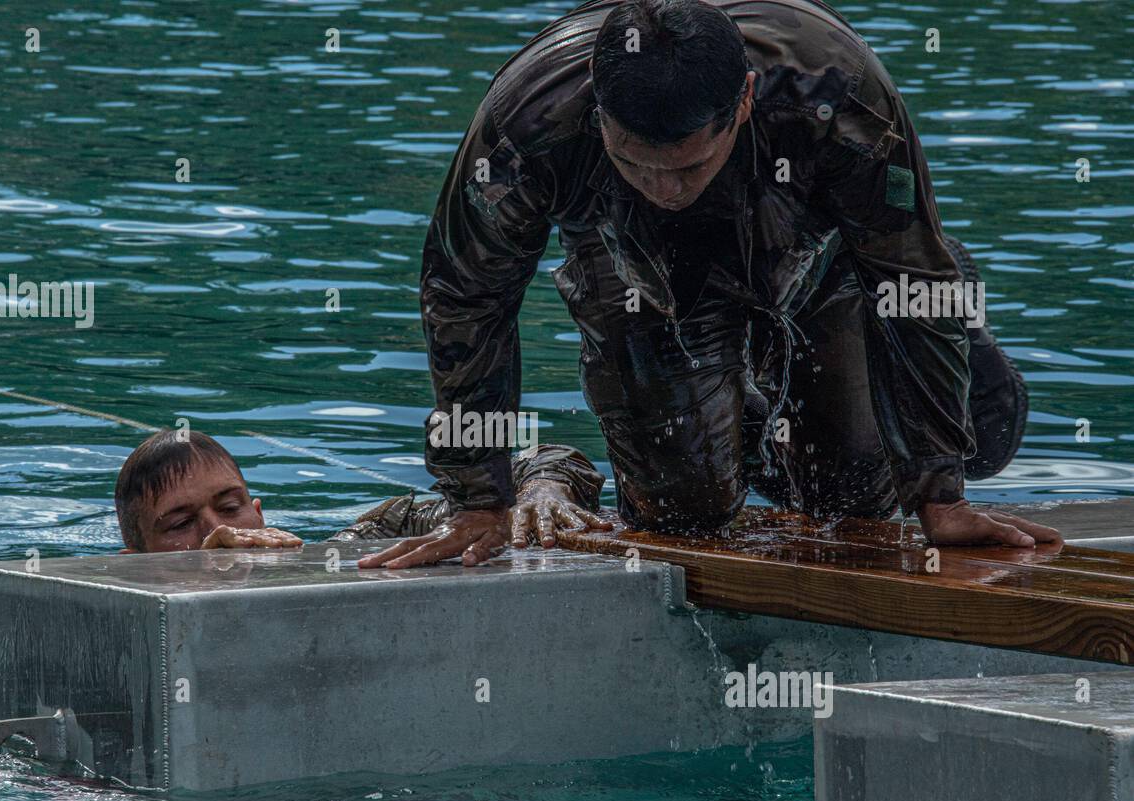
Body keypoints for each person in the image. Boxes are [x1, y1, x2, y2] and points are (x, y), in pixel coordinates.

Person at [360, 0, 1060, 571]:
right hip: (632, 267)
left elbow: (910, 275)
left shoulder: (835, 92)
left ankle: (802, 378)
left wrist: (942, 499)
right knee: (682, 514)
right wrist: (478, 498)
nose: (666, 189)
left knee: (859, 495)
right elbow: (465, 297)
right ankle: (738, 405)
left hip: (816, 251)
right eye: (637, 163)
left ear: (745, 102)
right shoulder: (528, 124)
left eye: (688, 168)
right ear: (599, 115)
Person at [113, 428, 609, 555]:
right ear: (132, 559)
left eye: (230, 507)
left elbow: (544, 457)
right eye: (180, 524)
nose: (218, 532)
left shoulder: (354, 545)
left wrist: (544, 495)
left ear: (259, 515)